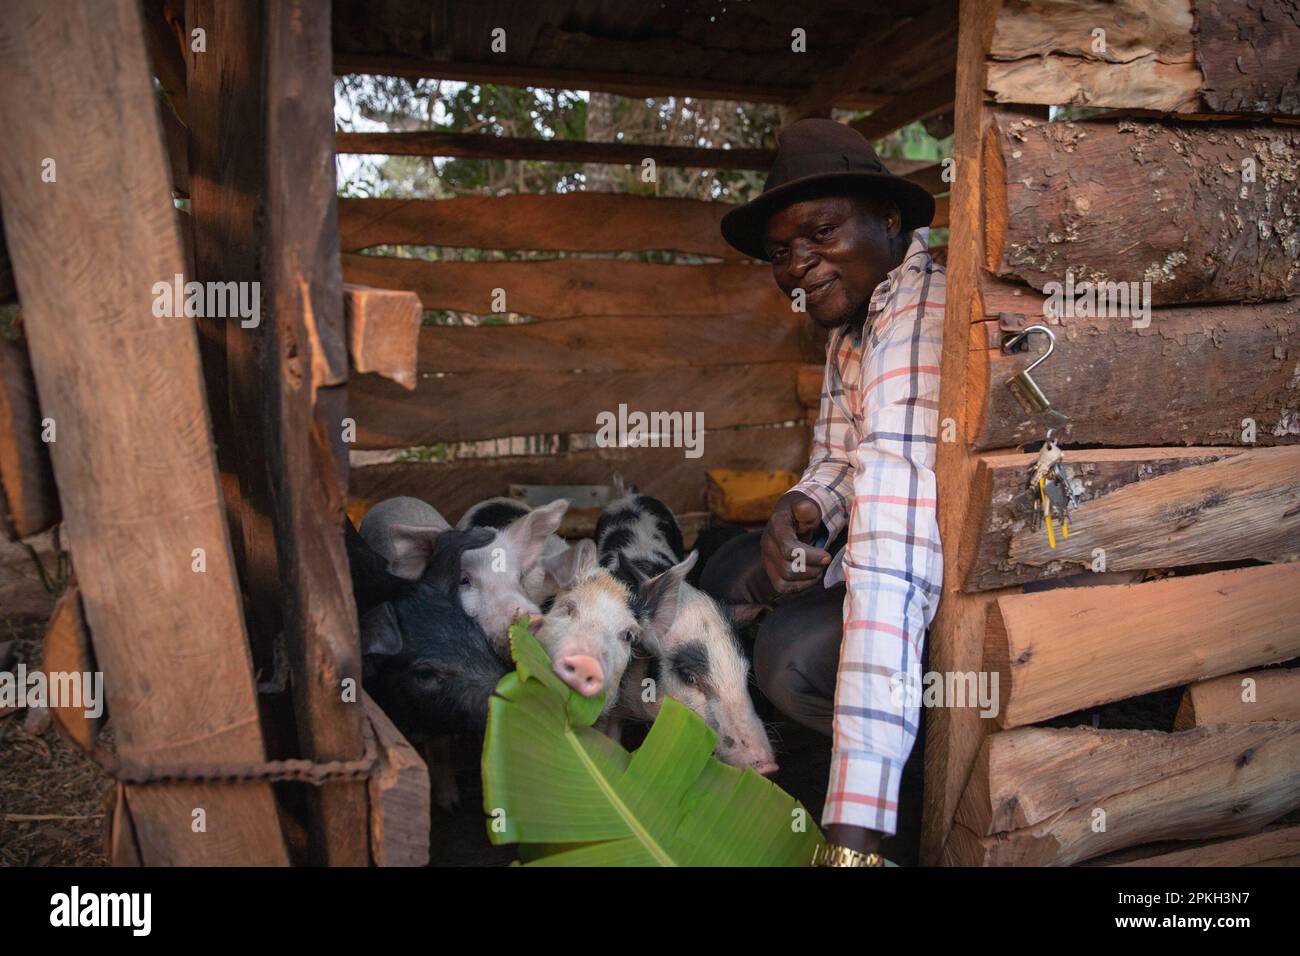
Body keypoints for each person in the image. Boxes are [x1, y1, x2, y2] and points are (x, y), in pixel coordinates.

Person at [703, 118, 945, 867]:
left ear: (890, 219)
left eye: (822, 232)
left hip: (960, 582)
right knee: (730, 573)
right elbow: (843, 459)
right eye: (782, 251)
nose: (798, 264)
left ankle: (912, 800)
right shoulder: (855, 323)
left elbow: (893, 554)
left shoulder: (920, 316)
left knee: (791, 659)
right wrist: (801, 506)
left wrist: (851, 841)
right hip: (905, 559)